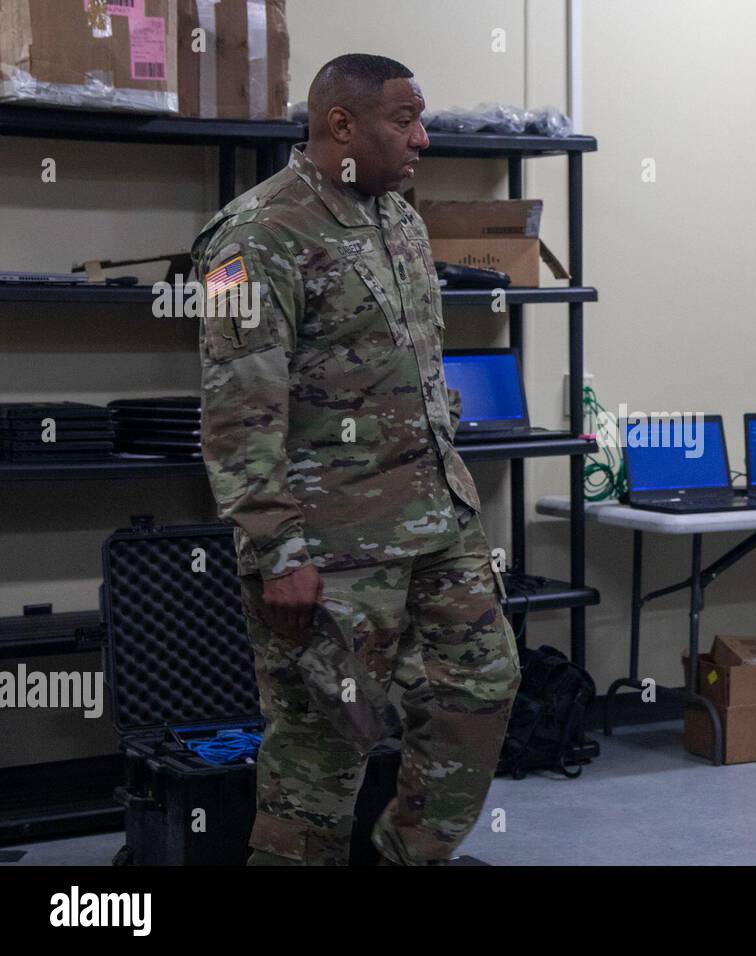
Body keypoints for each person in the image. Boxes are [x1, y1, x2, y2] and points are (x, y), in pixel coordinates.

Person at [193, 53, 520, 866]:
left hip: (437, 524)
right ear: (341, 125)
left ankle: (405, 854)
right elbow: (239, 412)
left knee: (483, 689)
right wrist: (277, 552)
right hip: (327, 547)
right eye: (403, 121)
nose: (423, 138)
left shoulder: (400, 221)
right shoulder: (254, 236)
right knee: (322, 748)